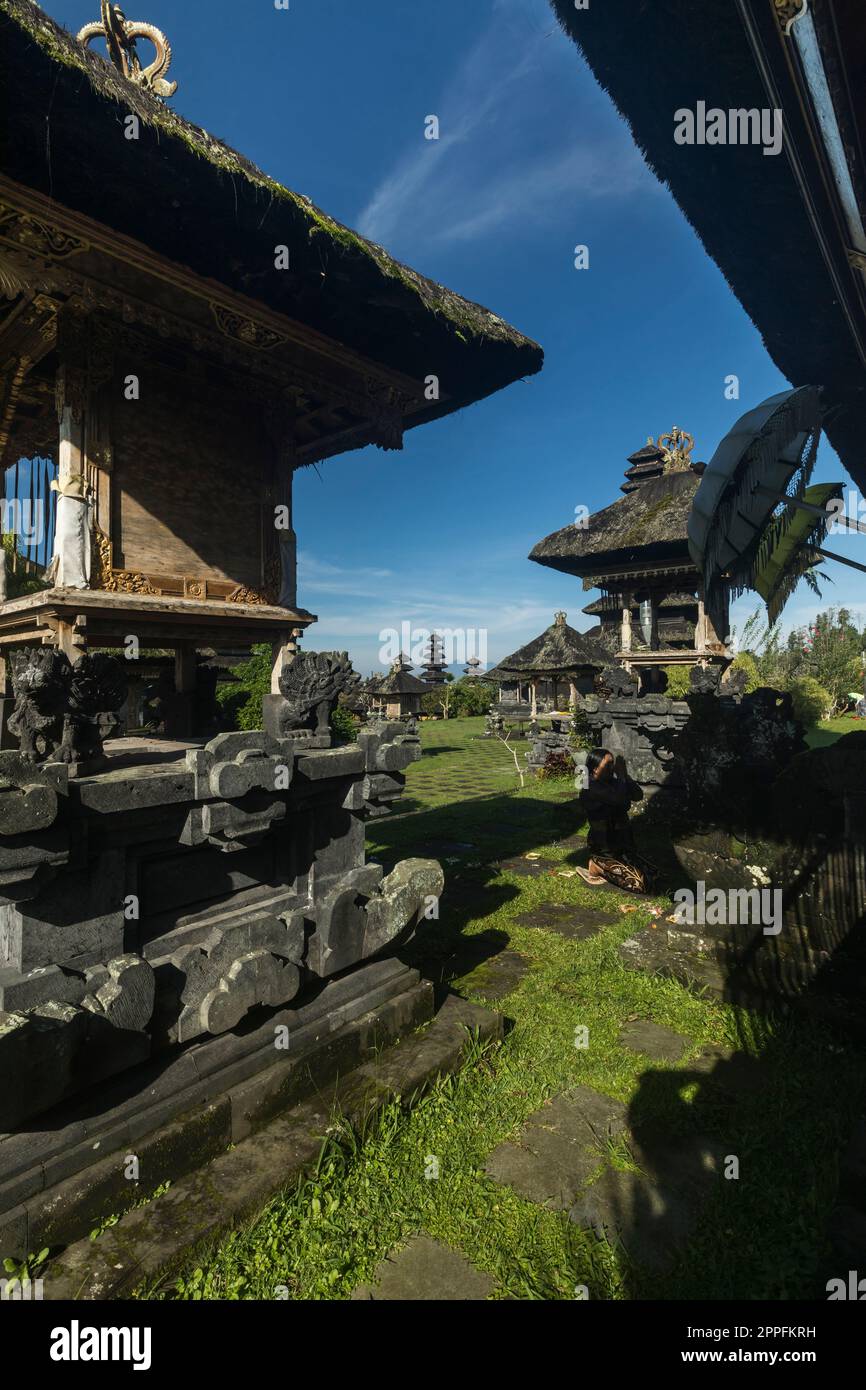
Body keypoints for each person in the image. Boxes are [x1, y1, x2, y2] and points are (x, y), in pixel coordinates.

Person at [576, 748, 650, 892]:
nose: (612, 768)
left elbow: (637, 795)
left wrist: (625, 777)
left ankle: (606, 866)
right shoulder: (590, 787)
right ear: (595, 768)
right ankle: (597, 865)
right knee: (638, 884)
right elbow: (619, 800)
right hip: (605, 847)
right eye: (608, 764)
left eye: (613, 764)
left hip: (623, 844)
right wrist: (622, 778)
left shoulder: (614, 782)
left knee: (653, 875)